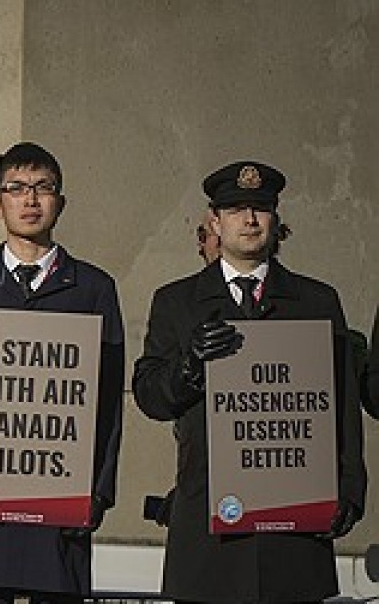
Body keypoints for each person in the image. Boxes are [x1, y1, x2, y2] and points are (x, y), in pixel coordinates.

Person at [133, 160, 365, 602]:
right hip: (209, 529)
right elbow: (150, 395)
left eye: (261, 208)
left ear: (276, 220)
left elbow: (344, 404)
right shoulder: (176, 302)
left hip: (294, 527)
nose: (250, 219)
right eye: (236, 209)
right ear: (215, 222)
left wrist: (350, 491)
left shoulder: (317, 301)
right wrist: (188, 369)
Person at [0, 142, 124, 603]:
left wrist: (100, 491)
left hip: (59, 497)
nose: (30, 200)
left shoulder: (92, 287)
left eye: (42, 188)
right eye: (16, 188)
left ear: (61, 202)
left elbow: (109, 401)